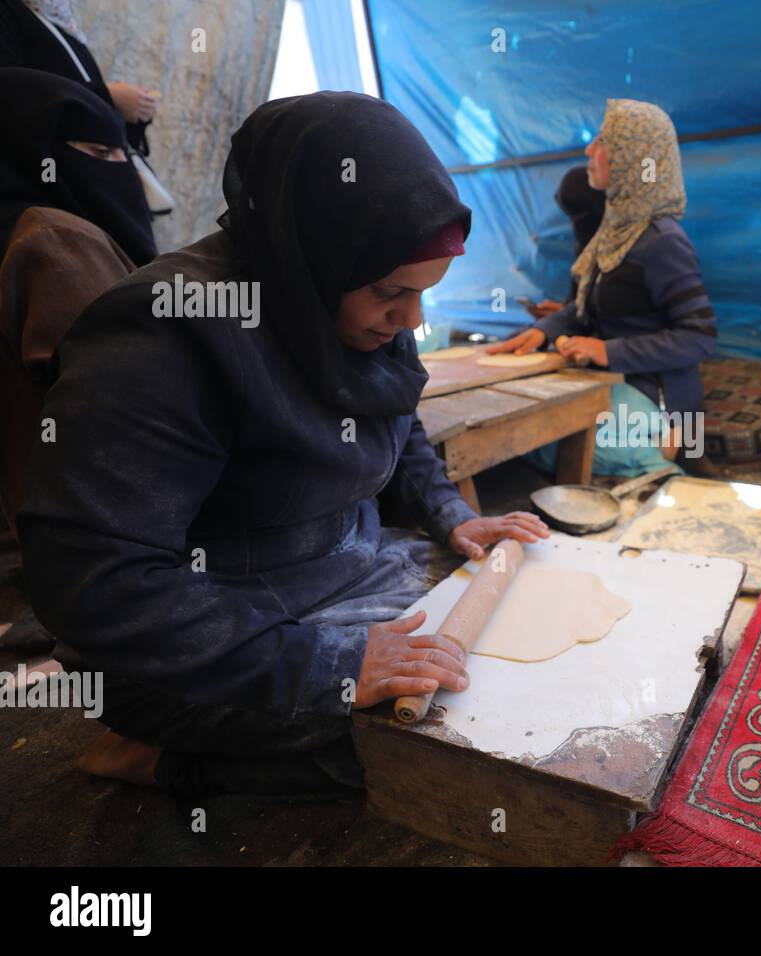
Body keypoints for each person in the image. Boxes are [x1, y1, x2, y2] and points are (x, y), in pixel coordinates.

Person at [18, 91, 549, 797]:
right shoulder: (166, 336)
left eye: (424, 294)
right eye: (391, 290)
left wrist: (454, 515)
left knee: (517, 657)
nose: (410, 320)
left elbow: (394, 416)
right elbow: (95, 582)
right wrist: (324, 666)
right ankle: (164, 755)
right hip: (197, 644)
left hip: (344, 573)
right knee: (447, 735)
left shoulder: (346, 315)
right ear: (314, 252)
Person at [489, 98, 717, 473]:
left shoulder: (661, 241)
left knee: (539, 441)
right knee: (515, 426)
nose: (588, 151)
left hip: (662, 406)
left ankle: (669, 465)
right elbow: (583, 312)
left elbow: (700, 337)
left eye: (602, 143)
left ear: (633, 157)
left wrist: (607, 351)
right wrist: (542, 332)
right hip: (615, 386)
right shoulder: (614, 234)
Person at [1, 67, 153, 546]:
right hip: (78, 547)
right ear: (31, 152)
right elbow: (126, 415)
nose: (118, 171)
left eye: (121, 154)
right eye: (97, 154)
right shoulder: (55, 244)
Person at [0, 0, 159, 148]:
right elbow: (13, 94)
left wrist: (135, 110)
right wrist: (108, 96)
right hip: (47, 167)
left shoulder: (61, 22)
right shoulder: (9, 10)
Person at [524, 165, 605, 320]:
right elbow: (581, 306)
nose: (577, 223)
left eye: (581, 212)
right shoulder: (584, 251)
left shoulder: (632, 251)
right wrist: (562, 310)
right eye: (571, 215)